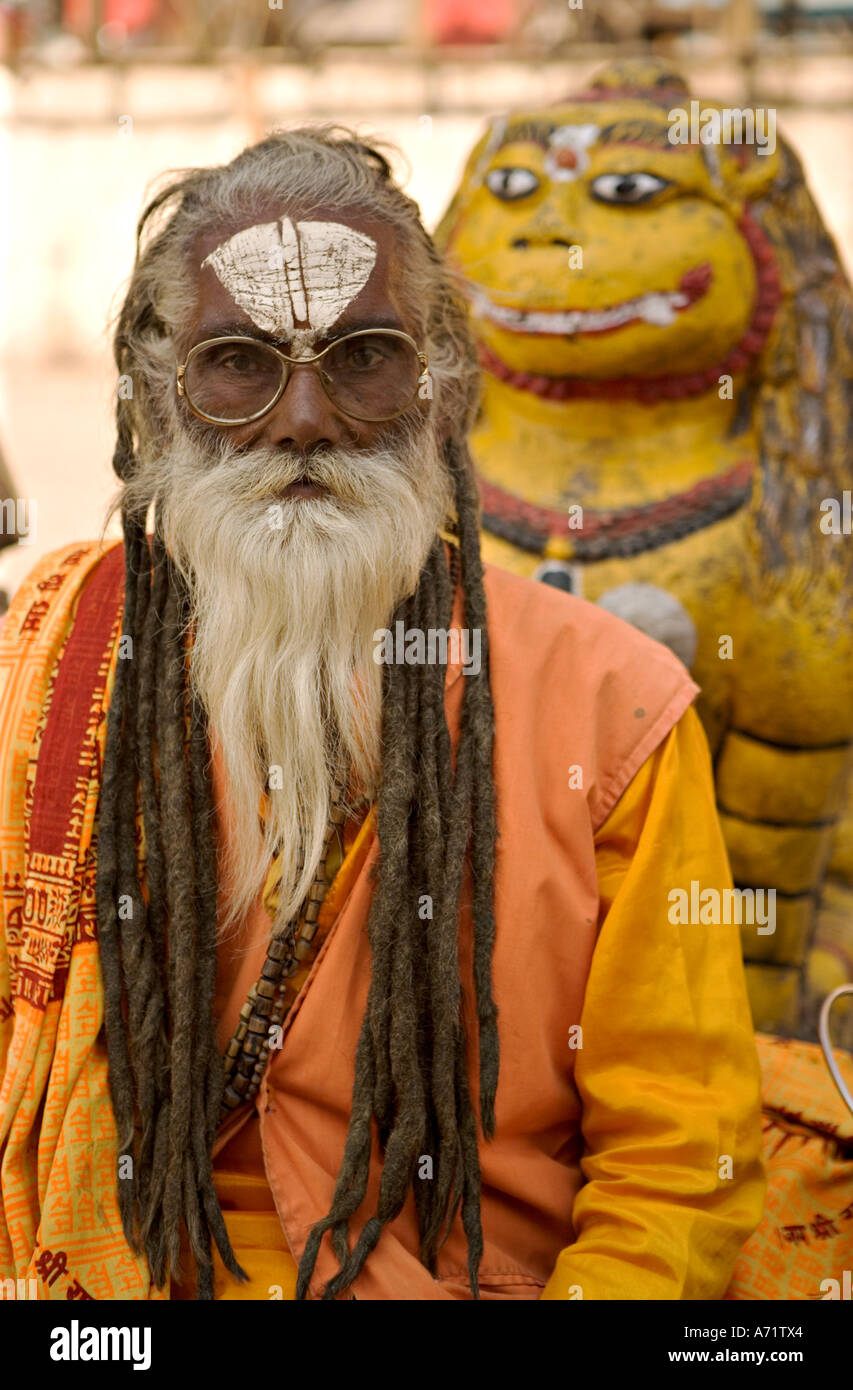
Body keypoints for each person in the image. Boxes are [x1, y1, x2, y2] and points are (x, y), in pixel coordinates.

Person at [0, 129, 765, 1302]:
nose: (302, 418)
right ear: (159, 395)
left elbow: (675, 1165)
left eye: (360, 358)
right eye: (239, 363)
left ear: (441, 384)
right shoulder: (51, 654)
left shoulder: (611, 708)